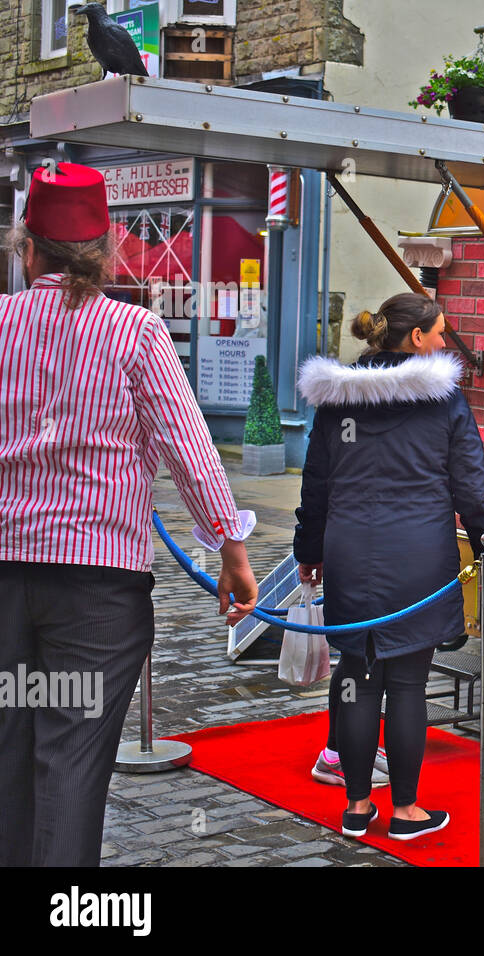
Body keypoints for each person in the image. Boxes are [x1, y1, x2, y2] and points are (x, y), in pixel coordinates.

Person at [0, 162, 258, 867]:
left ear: (29, 249)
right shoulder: (135, 332)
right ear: (106, 248)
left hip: (6, 574)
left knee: (10, 756)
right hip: (95, 590)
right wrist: (231, 550)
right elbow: (189, 447)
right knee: (72, 764)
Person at [294, 293, 484, 841]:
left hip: (347, 551)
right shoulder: (444, 400)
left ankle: (358, 807)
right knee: (408, 683)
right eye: (439, 333)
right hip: (418, 555)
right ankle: (407, 811)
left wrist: (308, 551)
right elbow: (471, 485)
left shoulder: (337, 400)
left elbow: (316, 484)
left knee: (356, 679)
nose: (443, 343)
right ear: (415, 338)